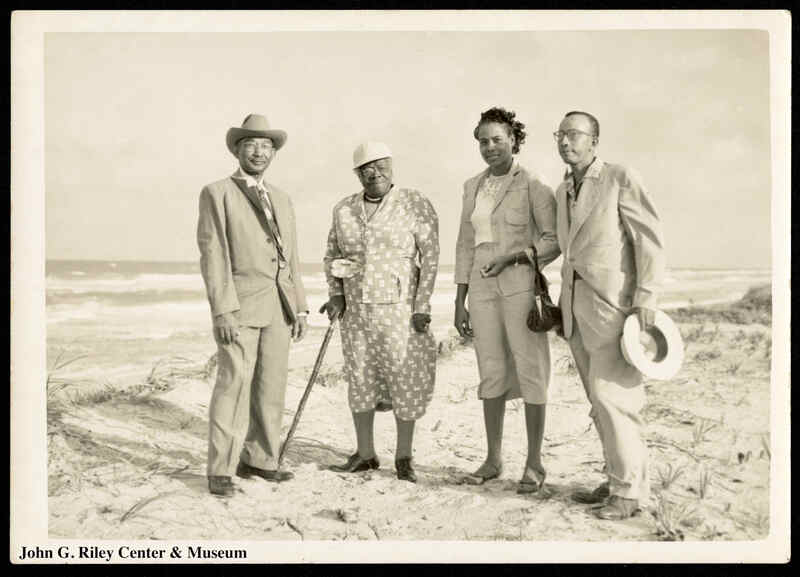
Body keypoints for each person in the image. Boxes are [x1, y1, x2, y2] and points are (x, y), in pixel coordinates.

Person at [553, 110, 665, 520]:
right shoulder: (563, 189)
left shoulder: (620, 177)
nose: (565, 141)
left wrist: (646, 297)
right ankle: (619, 478)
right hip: (575, 309)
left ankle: (629, 493)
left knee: (613, 397)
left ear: (594, 141)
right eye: (560, 134)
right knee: (598, 402)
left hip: (614, 307)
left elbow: (648, 240)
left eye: (574, 134)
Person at [197, 114, 308, 496]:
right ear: (237, 150)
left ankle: (259, 460)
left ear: (273, 152)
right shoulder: (217, 193)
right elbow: (214, 255)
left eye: (266, 146)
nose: (259, 152)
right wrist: (222, 310)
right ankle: (221, 470)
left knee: (270, 388)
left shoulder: (282, 198)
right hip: (239, 307)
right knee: (233, 386)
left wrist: (299, 307)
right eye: (251, 145)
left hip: (279, 307)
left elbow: (292, 257)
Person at [454, 107, 560, 493]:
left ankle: (534, 462)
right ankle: (493, 459)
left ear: (514, 140)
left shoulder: (532, 183)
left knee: (531, 369)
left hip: (520, 288)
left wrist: (514, 258)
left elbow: (553, 240)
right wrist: (460, 299)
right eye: (483, 141)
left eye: (497, 139)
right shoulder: (472, 186)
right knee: (491, 370)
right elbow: (464, 245)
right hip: (481, 291)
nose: (490, 147)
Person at [320, 142, 439, 483]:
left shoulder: (414, 202)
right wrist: (336, 294)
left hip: (401, 310)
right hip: (356, 311)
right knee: (360, 377)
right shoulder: (344, 208)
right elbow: (332, 255)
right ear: (357, 174)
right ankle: (365, 453)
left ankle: (403, 456)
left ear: (391, 166)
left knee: (404, 377)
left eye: (380, 165)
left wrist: (422, 306)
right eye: (366, 169)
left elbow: (430, 256)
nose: (374, 173)